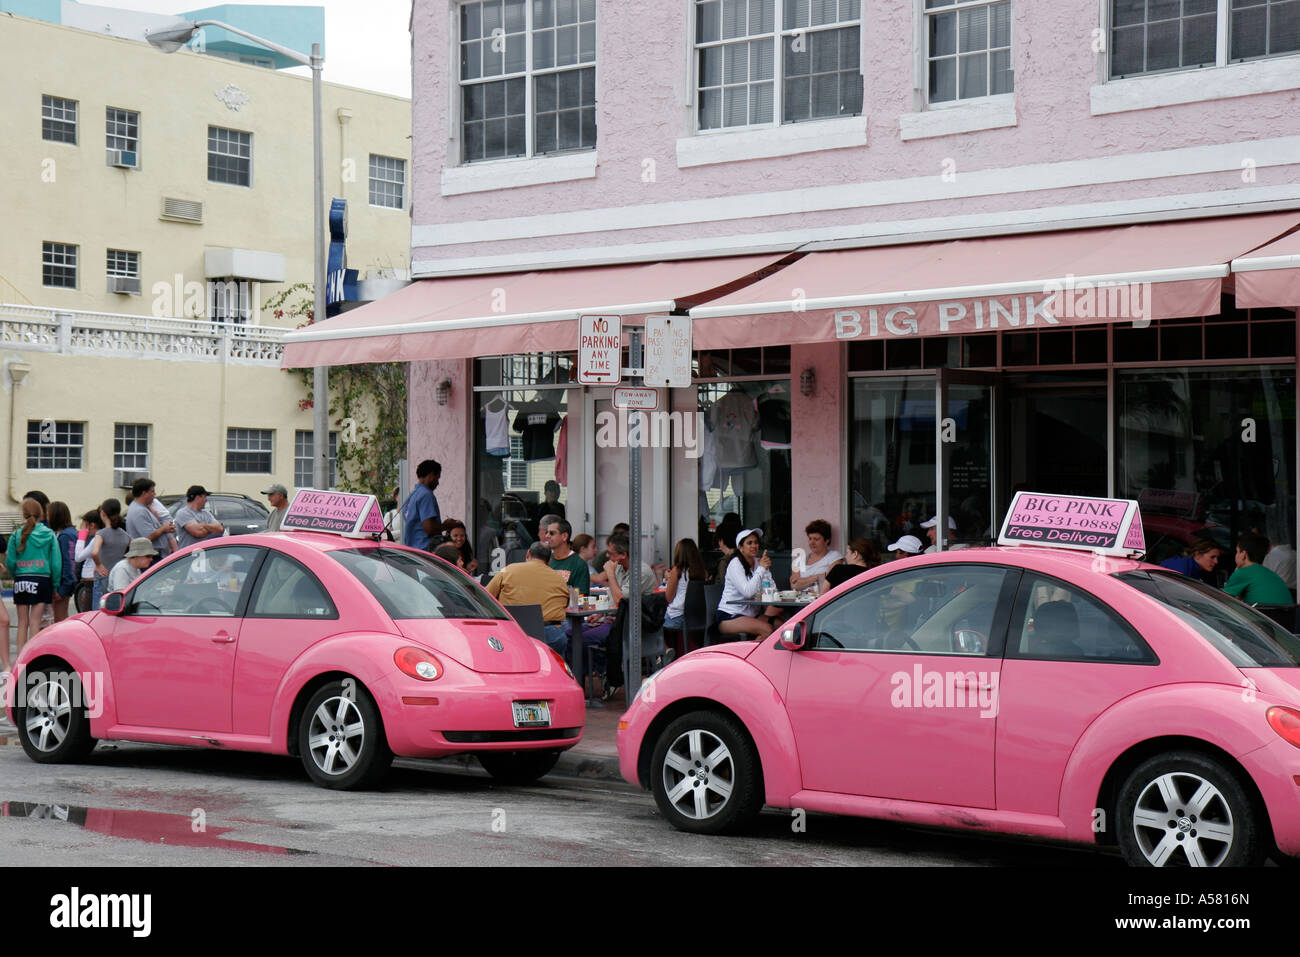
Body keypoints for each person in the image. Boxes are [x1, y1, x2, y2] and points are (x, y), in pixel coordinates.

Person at [485, 541, 570, 654]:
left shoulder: (509, 570)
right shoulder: (560, 579)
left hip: (514, 633)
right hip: (550, 635)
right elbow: (565, 604)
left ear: (528, 554)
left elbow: (486, 596)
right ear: (549, 561)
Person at [8, 497, 60, 655]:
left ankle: (20, 660)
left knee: (22, 623)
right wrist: (55, 585)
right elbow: (56, 563)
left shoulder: (16, 535)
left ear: (23, 514)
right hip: (42, 580)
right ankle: (34, 658)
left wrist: (16, 575)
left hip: (22, 580)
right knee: (35, 622)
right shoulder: (49, 534)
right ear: (41, 513)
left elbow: (10, 561)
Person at [717, 528, 780, 642]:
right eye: (749, 543)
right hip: (730, 615)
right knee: (767, 630)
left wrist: (764, 569)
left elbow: (772, 589)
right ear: (741, 547)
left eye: (756, 542)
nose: (754, 546)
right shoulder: (735, 564)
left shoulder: (758, 562)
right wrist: (761, 569)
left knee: (783, 626)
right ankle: (750, 657)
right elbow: (748, 592)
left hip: (752, 615)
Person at [1224, 532, 1295, 605]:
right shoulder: (1271, 574)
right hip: (1285, 615)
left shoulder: (1243, 572)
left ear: (1243, 555)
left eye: (1237, 552)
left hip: (1261, 615)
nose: (1236, 555)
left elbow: (1223, 600)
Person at [403, 459, 454, 551]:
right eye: (437, 478)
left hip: (412, 551)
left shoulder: (412, 495)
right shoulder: (426, 495)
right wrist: (448, 525)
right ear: (431, 475)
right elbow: (429, 528)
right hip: (426, 551)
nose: (438, 483)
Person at [92, 499, 133, 610]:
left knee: (98, 610)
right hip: (119, 576)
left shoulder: (101, 533)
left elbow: (94, 552)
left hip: (103, 575)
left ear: (103, 513)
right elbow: (133, 548)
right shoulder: (124, 534)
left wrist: (99, 565)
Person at [125, 477, 175, 563]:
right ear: (144, 493)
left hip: (154, 557)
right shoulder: (139, 511)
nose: (154, 494)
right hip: (149, 559)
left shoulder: (143, 508)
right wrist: (164, 528)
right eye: (152, 491)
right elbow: (148, 536)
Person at [663, 538, 708, 631]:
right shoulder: (703, 572)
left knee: (655, 628)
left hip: (677, 616)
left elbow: (668, 598)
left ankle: (667, 646)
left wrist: (669, 579)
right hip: (697, 617)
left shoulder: (677, 571)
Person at [789, 519, 843, 591]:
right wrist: (818, 577)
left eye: (816, 539)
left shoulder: (834, 557)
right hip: (800, 601)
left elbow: (830, 581)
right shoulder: (798, 561)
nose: (812, 542)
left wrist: (802, 581)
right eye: (810, 538)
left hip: (823, 600)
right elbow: (794, 585)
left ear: (827, 540)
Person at [48, 501, 78, 623]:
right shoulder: (65, 533)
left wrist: (63, 589)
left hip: (63, 584)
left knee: (60, 619)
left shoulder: (66, 536)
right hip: (64, 583)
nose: (47, 517)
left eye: (49, 514)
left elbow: (69, 563)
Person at [546, 519, 588, 595]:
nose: (547, 536)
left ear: (564, 536)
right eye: (547, 532)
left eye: (552, 533)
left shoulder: (579, 564)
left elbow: (581, 596)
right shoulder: (544, 559)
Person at [174, 485, 224, 550]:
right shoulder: (183, 513)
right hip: (187, 556)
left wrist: (203, 525)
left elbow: (219, 529)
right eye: (204, 497)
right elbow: (198, 533)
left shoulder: (206, 513)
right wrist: (211, 529)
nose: (206, 500)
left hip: (204, 555)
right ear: (198, 497)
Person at [73, 510, 102, 613]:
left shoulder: (96, 539)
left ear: (92, 525)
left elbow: (78, 557)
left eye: (85, 525)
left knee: (88, 613)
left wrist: (81, 535)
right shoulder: (99, 537)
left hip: (90, 580)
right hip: (91, 580)